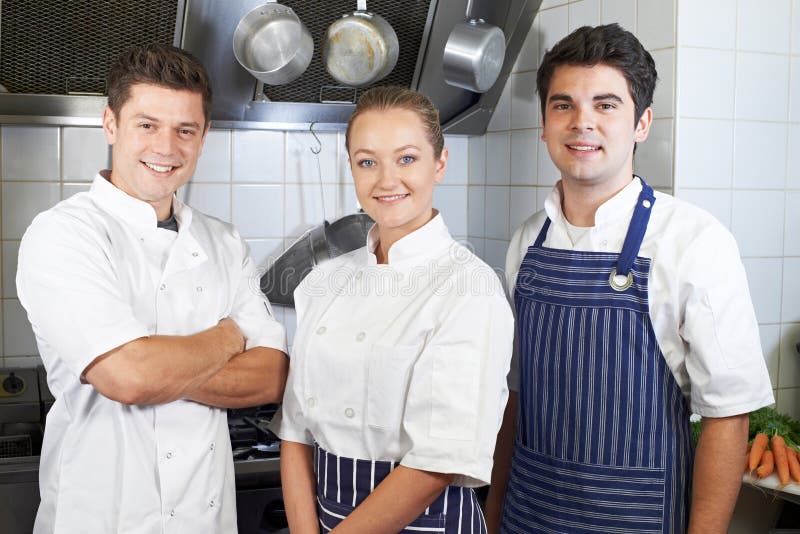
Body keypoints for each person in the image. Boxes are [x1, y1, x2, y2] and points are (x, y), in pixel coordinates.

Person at [484, 24, 774, 534]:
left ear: (642, 123)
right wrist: (492, 515)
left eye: (606, 104)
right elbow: (515, 398)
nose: (582, 123)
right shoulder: (526, 241)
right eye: (563, 105)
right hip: (527, 515)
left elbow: (728, 417)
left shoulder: (694, 242)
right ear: (544, 125)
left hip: (637, 519)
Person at [16, 43, 288, 533]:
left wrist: (150, 369)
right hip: (101, 518)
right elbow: (129, 378)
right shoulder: (63, 234)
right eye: (147, 125)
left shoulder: (223, 241)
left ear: (203, 137)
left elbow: (269, 376)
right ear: (110, 124)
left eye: (185, 130)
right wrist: (229, 338)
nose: (166, 148)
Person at [272, 86, 514, 533]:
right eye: (368, 162)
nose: (386, 180)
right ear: (351, 169)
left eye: (406, 158)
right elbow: (295, 432)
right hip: (323, 516)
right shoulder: (323, 283)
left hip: (427, 520)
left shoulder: (469, 289)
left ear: (439, 163)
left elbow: (438, 460)